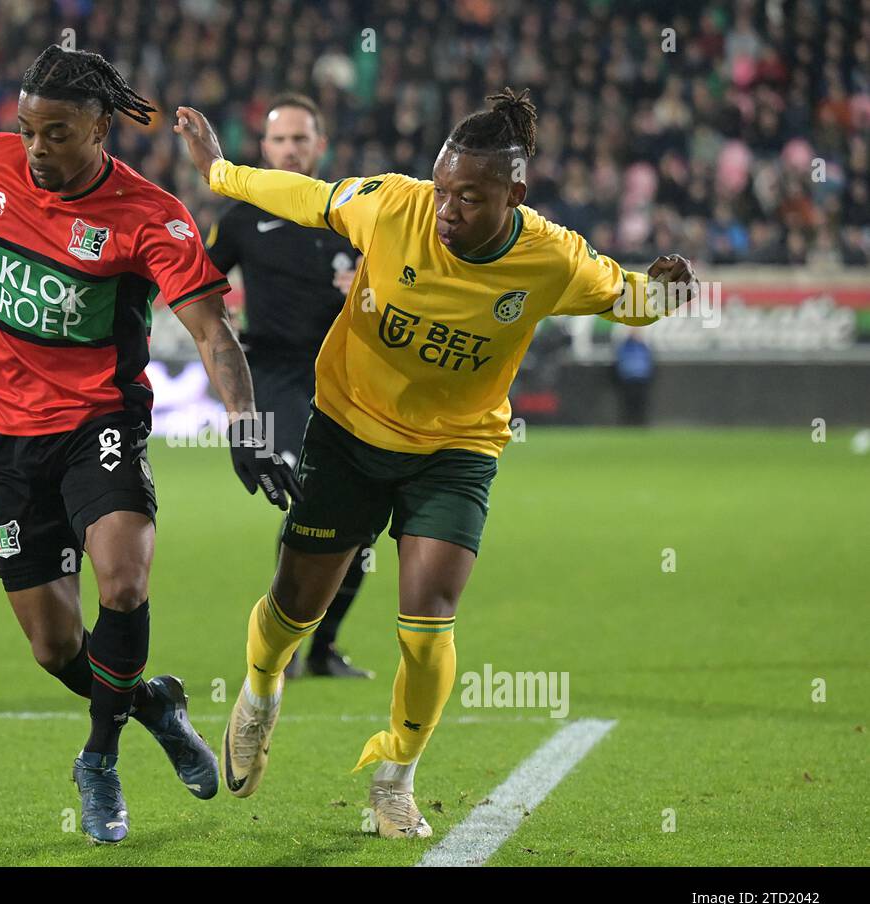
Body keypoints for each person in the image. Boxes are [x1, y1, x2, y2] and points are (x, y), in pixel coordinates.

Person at [173, 88, 696, 836]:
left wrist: (669, 293)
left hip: (455, 451)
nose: (447, 210)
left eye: (469, 198)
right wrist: (221, 173)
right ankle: (259, 691)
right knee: (294, 608)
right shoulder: (395, 206)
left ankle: (394, 780)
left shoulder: (550, 257)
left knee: (428, 624)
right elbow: (305, 196)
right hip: (348, 431)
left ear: (514, 194)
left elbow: (627, 296)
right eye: (443, 189)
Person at [0, 45, 300, 845]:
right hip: (4, 433)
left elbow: (212, 332)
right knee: (54, 645)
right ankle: (152, 704)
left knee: (123, 582)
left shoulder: (149, 215)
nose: (37, 150)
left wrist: (248, 424)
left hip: (100, 421)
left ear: (101, 128)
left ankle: (99, 759)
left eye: (57, 134)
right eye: (28, 131)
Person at [205, 92, 373, 680]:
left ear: (320, 146)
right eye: (279, 139)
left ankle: (321, 648)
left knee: (361, 522)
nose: (290, 149)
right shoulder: (242, 219)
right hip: (273, 376)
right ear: (264, 147)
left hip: (346, 381)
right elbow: (199, 286)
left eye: (301, 139)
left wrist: (367, 289)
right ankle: (288, 641)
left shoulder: (349, 212)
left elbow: (390, 294)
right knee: (315, 499)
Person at [613, 328, 655, 425]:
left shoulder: (643, 346)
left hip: (641, 378)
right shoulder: (625, 346)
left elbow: (648, 360)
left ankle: (640, 422)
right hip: (628, 378)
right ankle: (628, 423)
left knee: (641, 403)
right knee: (628, 403)